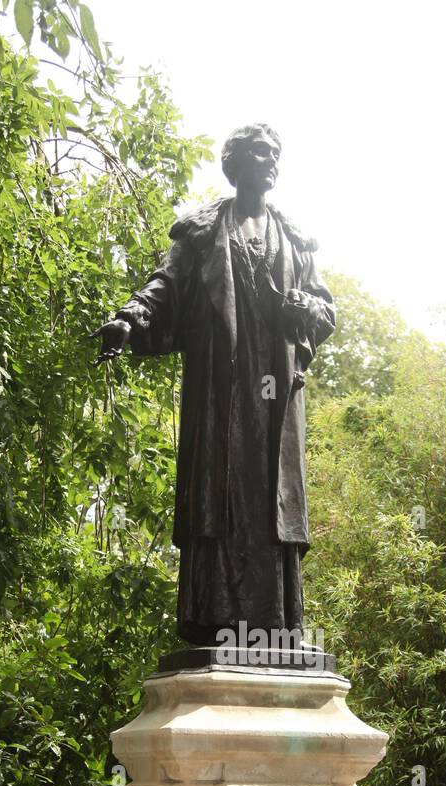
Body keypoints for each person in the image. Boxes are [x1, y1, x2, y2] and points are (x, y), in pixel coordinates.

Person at [93, 123, 335, 647]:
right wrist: (129, 318)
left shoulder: (294, 241)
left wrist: (305, 308)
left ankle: (275, 625)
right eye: (258, 153)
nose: (269, 161)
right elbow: (166, 285)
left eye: (275, 153)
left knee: (271, 501)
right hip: (220, 386)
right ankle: (213, 620)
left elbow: (325, 307)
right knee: (220, 497)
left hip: (274, 392)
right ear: (236, 164)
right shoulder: (203, 232)